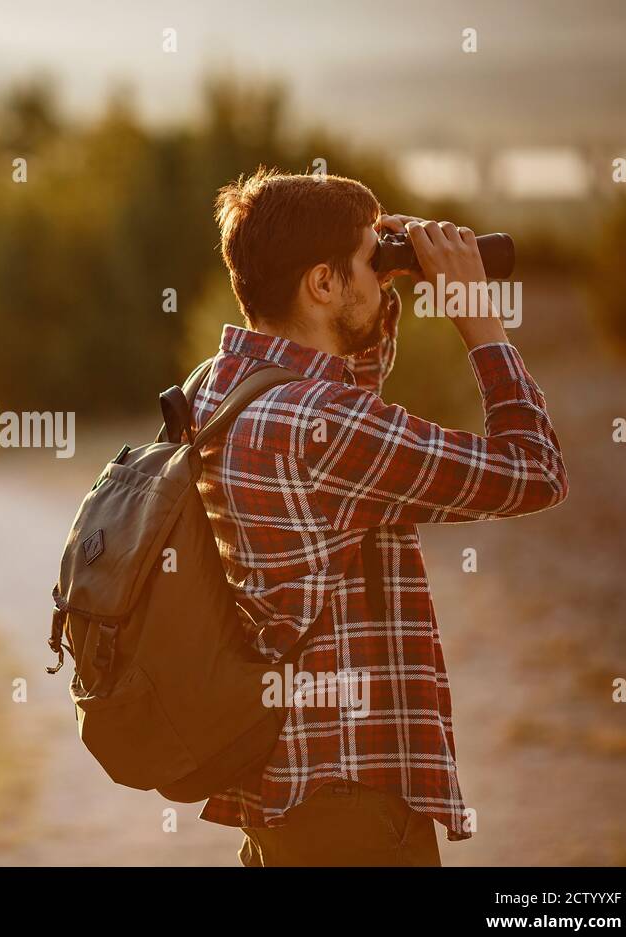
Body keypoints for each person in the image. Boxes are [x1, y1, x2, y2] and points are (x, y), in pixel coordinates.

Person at [195, 168, 567, 866]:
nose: (382, 271)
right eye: (372, 261)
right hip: (356, 809)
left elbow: (341, 385)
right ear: (323, 284)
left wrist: (377, 271)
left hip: (280, 795)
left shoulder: (218, 391)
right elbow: (535, 471)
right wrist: (482, 326)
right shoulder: (328, 428)